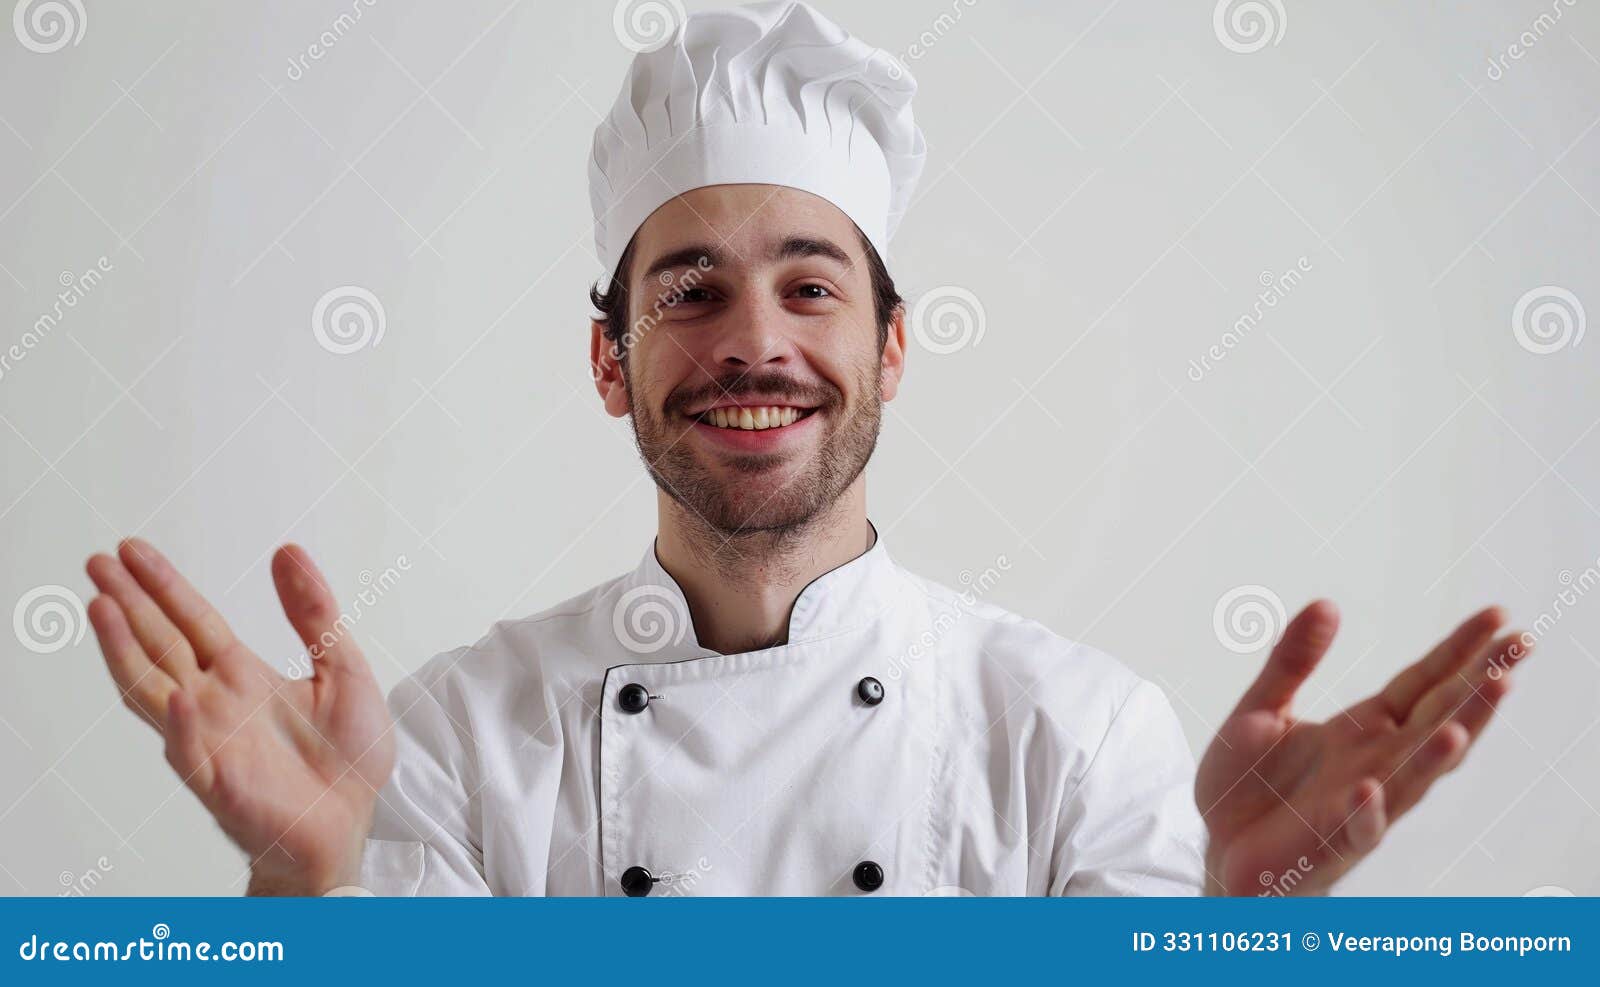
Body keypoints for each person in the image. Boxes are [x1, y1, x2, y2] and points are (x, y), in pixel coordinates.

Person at [82, 0, 1531, 896]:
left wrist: (1227, 934)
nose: (754, 344)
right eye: (689, 291)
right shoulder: (457, 739)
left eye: (812, 285)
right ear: (610, 362)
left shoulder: (1077, 736)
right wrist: (308, 890)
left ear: (890, 351)